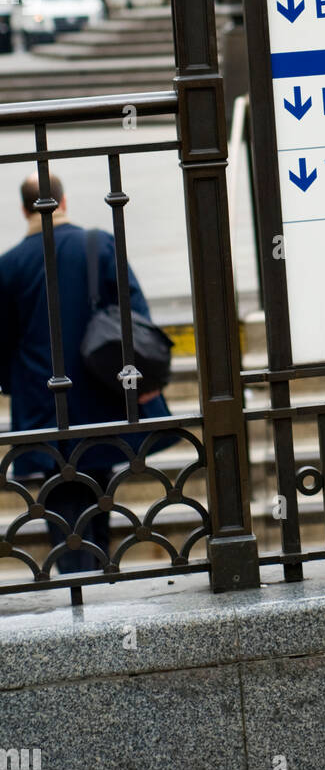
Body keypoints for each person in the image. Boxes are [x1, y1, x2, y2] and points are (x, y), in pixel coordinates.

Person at [0, 172, 171, 572]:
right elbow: (136, 314)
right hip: (101, 392)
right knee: (99, 490)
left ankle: (80, 581)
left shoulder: (8, 267)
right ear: (64, 202)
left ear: (24, 209)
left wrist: (14, 388)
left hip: (44, 404)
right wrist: (140, 380)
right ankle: (98, 572)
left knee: (62, 499)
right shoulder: (98, 244)